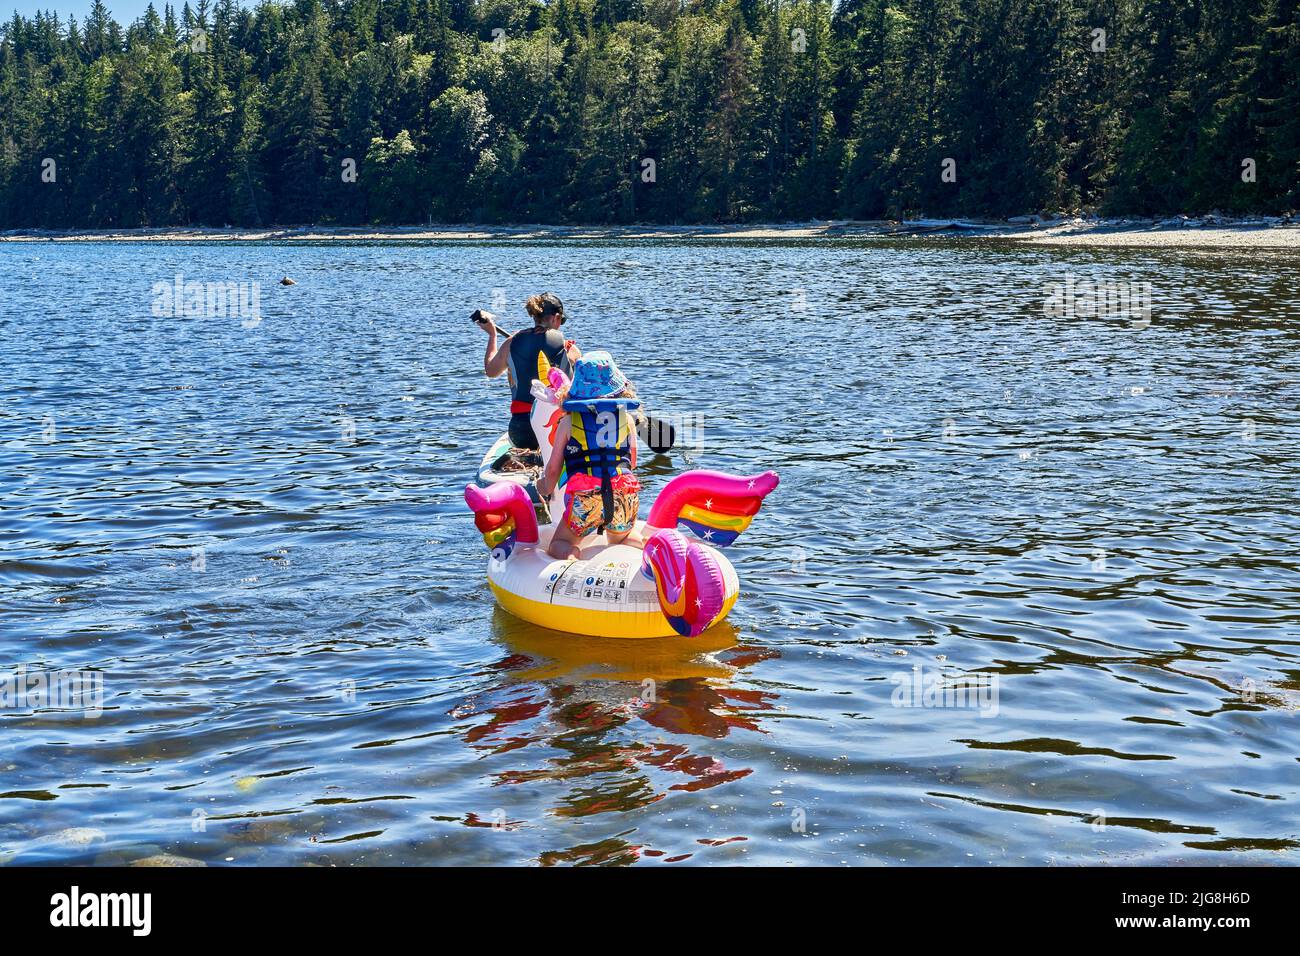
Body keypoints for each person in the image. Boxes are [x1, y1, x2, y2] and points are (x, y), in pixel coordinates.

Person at [536, 351, 644, 560]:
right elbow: (632, 462)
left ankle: (571, 560)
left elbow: (553, 469)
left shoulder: (568, 422)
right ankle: (639, 548)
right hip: (623, 493)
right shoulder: (627, 420)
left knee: (560, 543)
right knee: (624, 538)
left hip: (586, 498)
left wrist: (545, 487)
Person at [477, 293, 581, 450]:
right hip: (556, 429)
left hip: (521, 432)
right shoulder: (569, 349)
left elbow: (491, 371)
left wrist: (492, 335)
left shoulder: (512, 342)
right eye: (561, 321)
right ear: (555, 318)